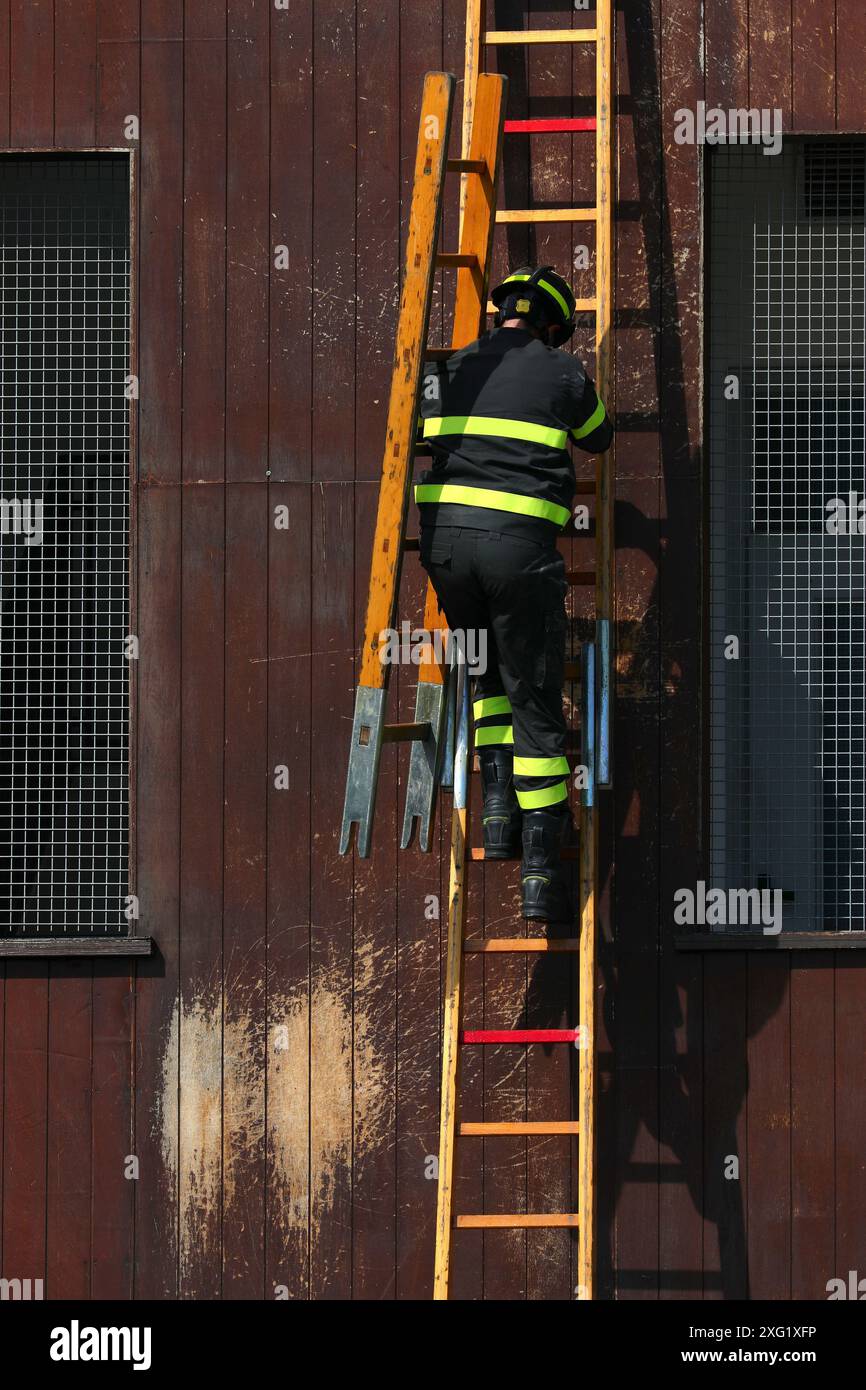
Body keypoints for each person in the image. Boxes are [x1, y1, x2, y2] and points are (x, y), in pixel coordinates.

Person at [415, 265, 613, 920]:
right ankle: (537, 866)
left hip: (444, 553)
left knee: (486, 676)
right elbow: (601, 436)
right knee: (533, 697)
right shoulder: (562, 372)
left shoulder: (448, 370)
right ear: (555, 324)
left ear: (499, 311)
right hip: (516, 553)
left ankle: (496, 810)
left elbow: (419, 436)